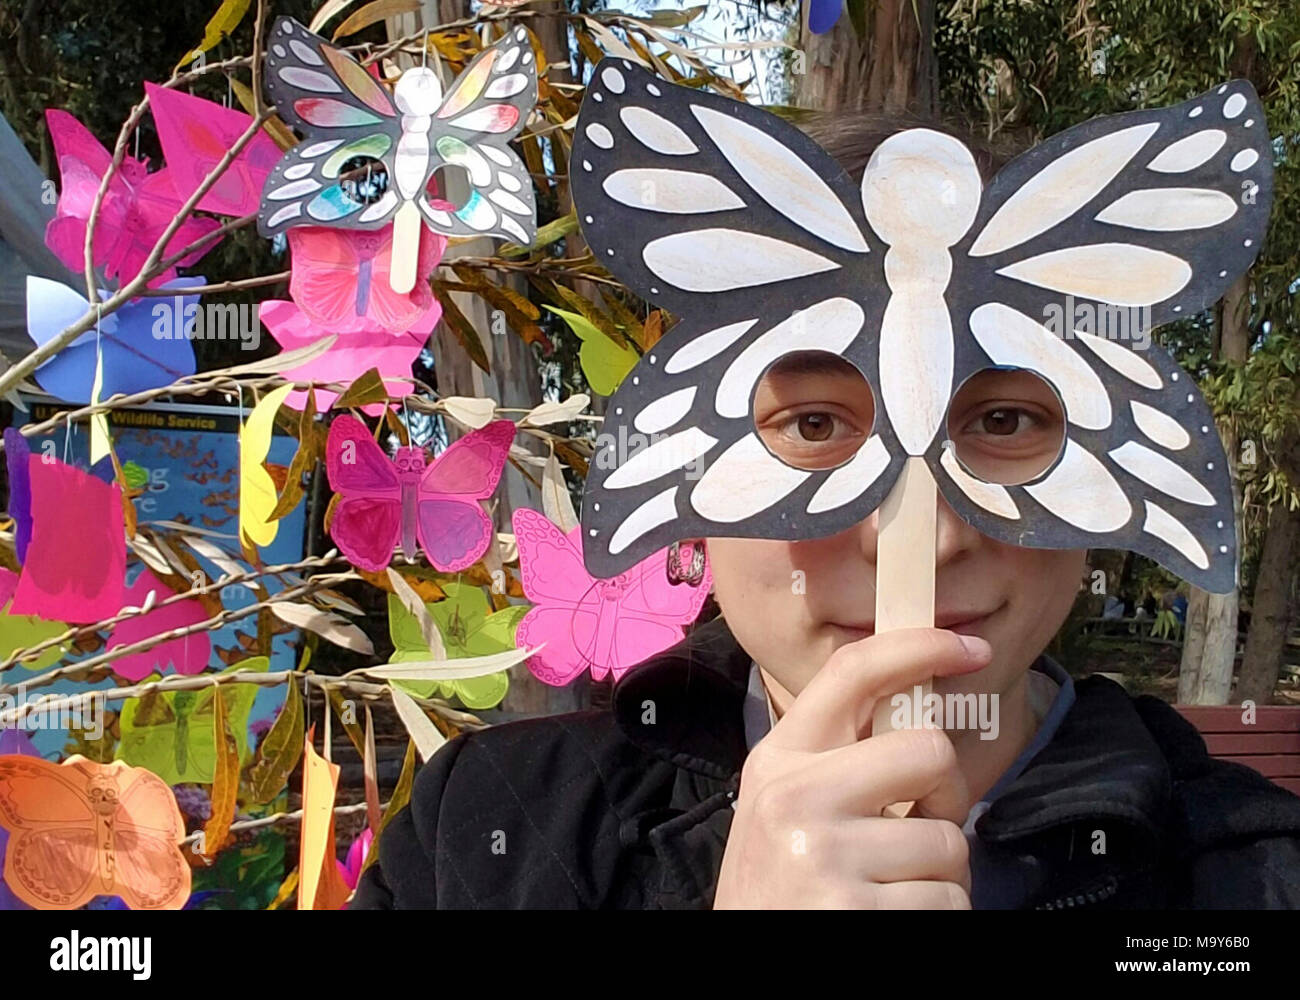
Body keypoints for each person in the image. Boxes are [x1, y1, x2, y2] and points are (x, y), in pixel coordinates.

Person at [349, 113, 1300, 911]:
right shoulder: (480, 836)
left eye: (1004, 420)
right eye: (811, 424)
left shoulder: (1252, 878)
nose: (922, 539)